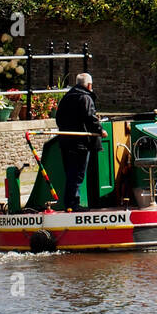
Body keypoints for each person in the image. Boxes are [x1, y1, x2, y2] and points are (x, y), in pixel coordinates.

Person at [55, 72, 104, 211]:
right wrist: (100, 130)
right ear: (89, 85)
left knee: (70, 173)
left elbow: (59, 119)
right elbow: (90, 118)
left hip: (65, 142)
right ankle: (73, 205)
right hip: (80, 143)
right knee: (77, 174)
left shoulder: (66, 97)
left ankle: (70, 204)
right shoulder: (85, 97)